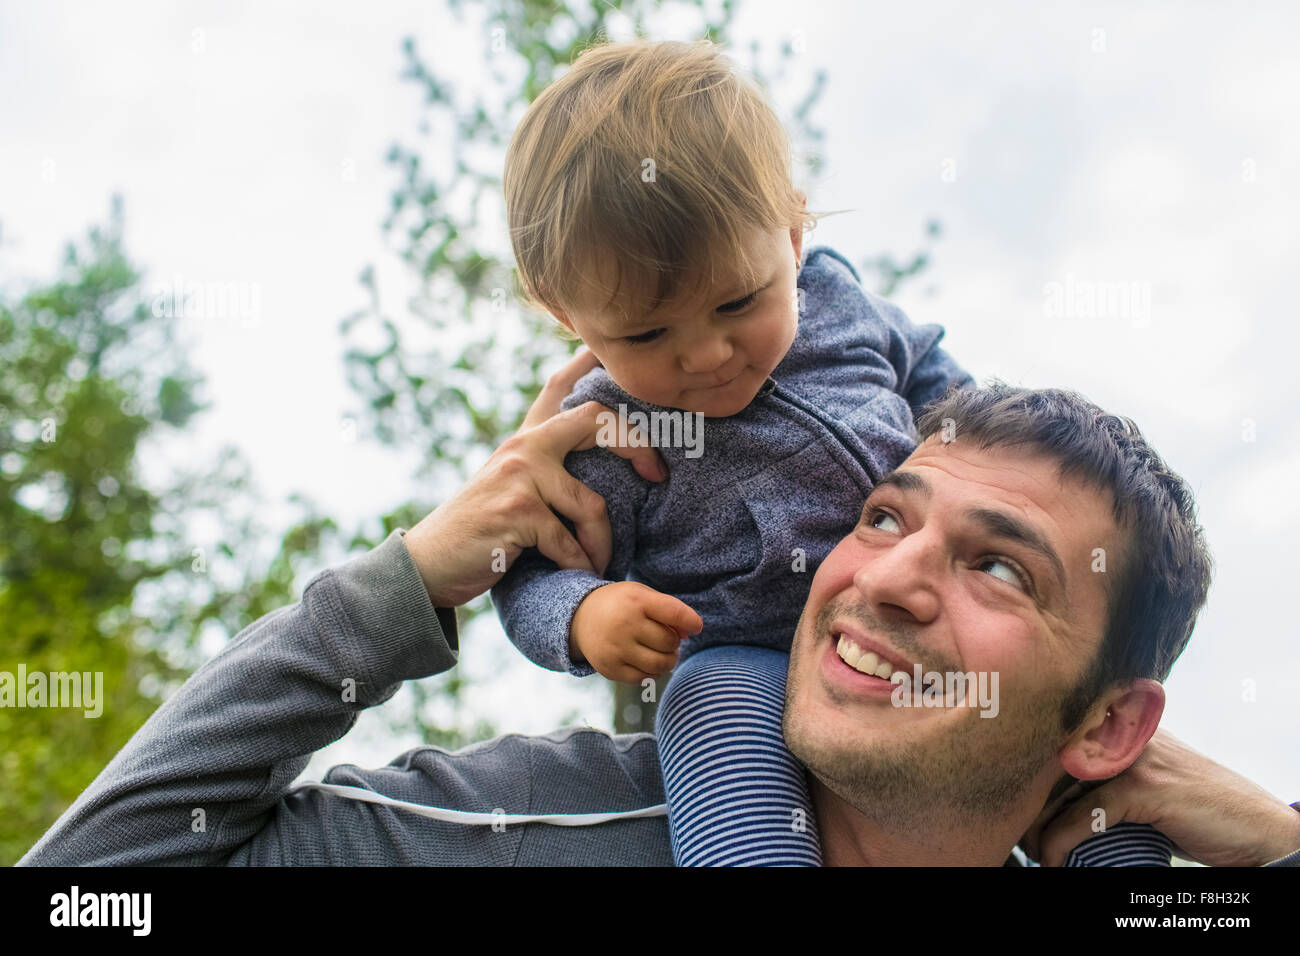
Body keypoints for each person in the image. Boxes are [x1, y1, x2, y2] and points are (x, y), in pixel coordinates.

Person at [17, 351, 1300, 867]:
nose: (890, 576)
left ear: (1110, 726)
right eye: (885, 516)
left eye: (1000, 568)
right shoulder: (511, 826)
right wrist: (408, 585)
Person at [490, 36, 1175, 866]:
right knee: (710, 715)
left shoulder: (839, 304)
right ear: (567, 316)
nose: (706, 355)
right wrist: (582, 613)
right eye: (646, 333)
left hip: (928, 646)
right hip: (748, 652)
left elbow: (939, 382)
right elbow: (526, 569)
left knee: (1086, 765)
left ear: (791, 232)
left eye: (739, 302)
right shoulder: (601, 434)